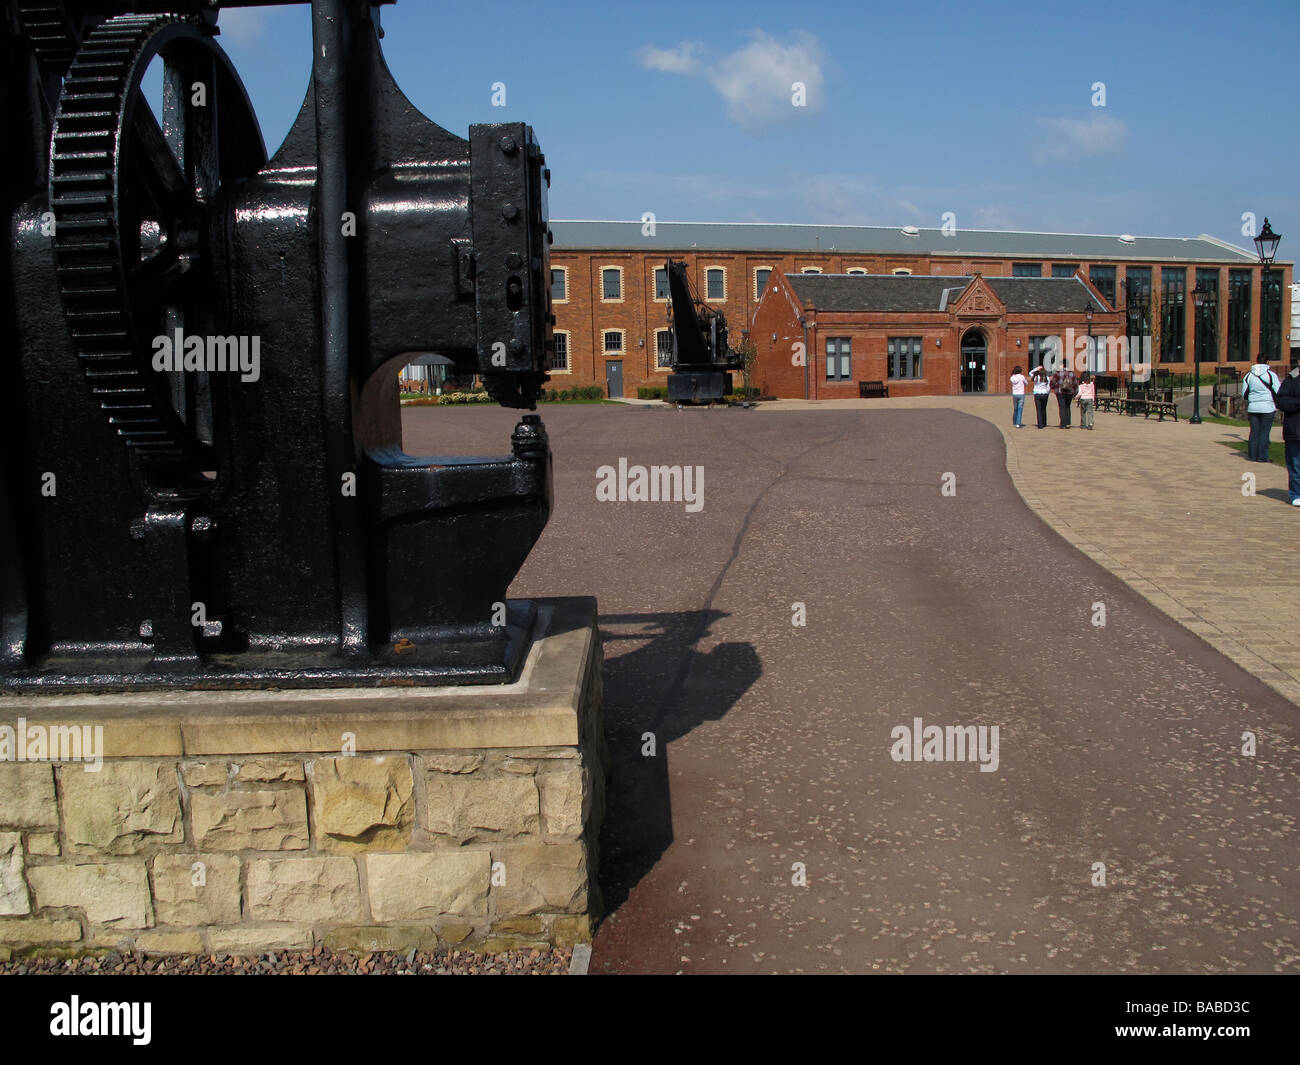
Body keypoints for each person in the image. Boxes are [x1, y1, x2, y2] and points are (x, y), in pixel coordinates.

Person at [1242, 354, 1281, 462]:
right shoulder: (1271, 375)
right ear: (1267, 362)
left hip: (1253, 407)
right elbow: (1278, 391)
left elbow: (1244, 394)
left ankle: (1252, 455)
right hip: (1267, 407)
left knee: (1254, 432)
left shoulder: (1248, 376)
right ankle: (1262, 456)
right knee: (1264, 432)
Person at [1276, 358, 1300, 506]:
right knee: (1295, 464)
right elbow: (1282, 401)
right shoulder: (1290, 381)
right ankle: (1296, 493)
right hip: (1295, 429)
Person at [1049, 361, 1078, 428]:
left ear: (1062, 365)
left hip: (1060, 392)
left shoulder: (1058, 373)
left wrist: (1054, 387)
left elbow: (1052, 382)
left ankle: (1063, 424)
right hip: (1069, 392)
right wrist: (1075, 393)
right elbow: (1075, 384)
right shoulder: (1072, 373)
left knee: (1062, 408)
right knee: (1067, 407)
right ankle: (1068, 423)